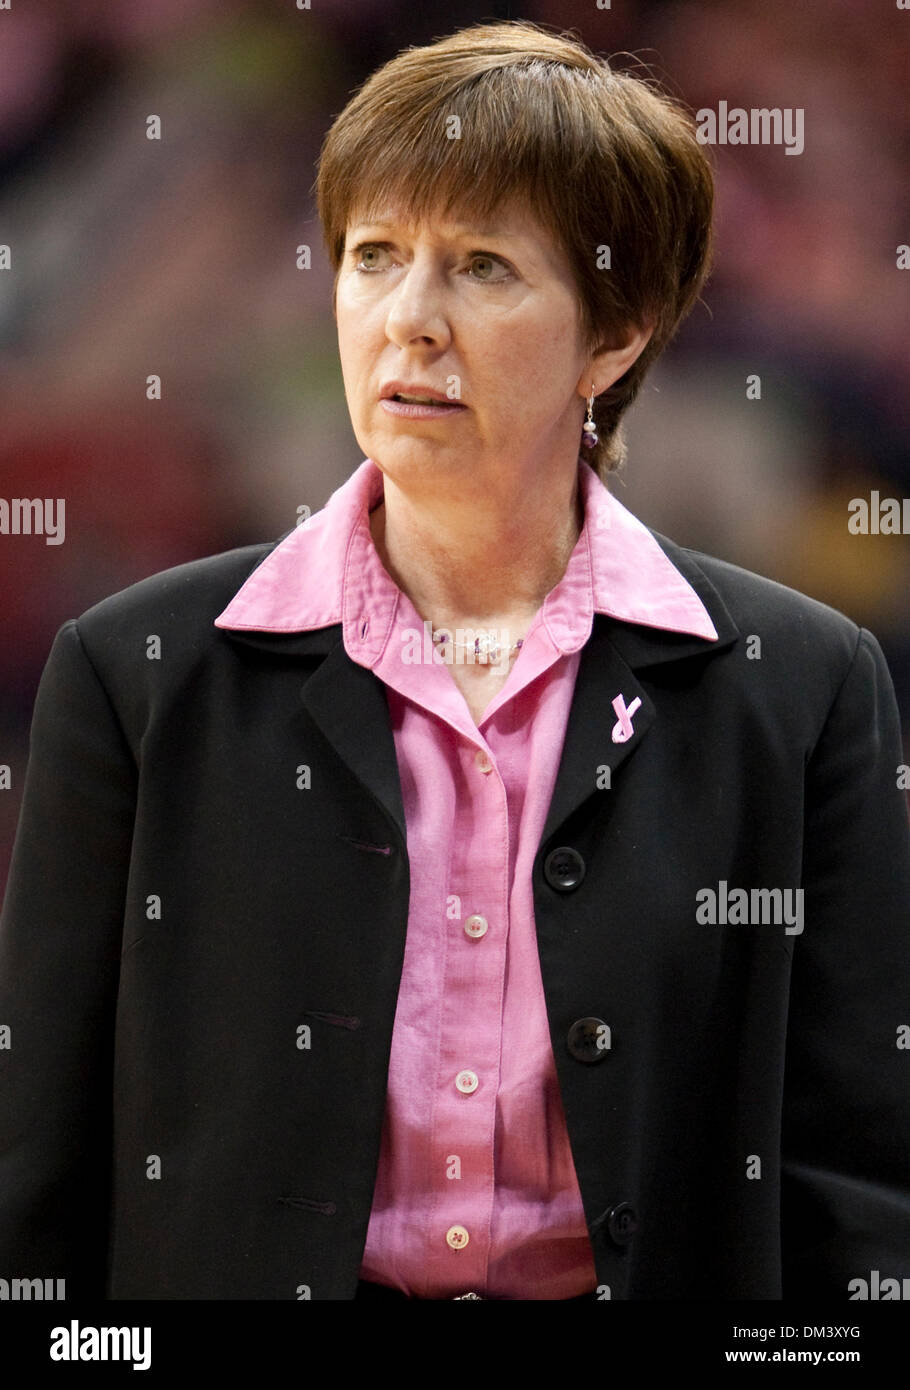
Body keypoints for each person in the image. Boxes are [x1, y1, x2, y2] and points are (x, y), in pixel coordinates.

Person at [1, 19, 908, 1303]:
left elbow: (858, 1174)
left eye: (481, 266)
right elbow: (37, 1164)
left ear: (618, 334)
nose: (408, 321)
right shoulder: (137, 671)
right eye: (374, 257)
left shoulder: (800, 685)